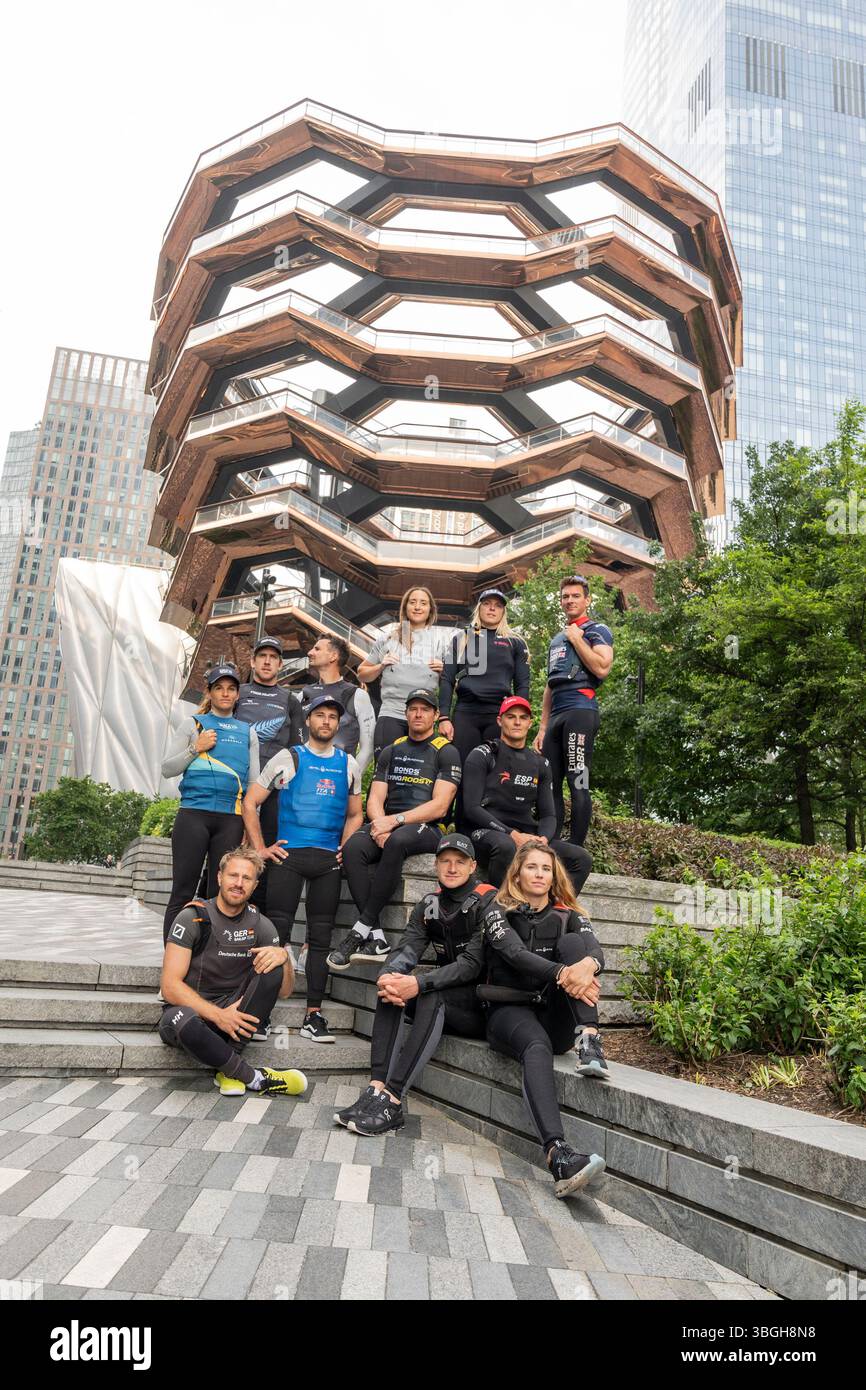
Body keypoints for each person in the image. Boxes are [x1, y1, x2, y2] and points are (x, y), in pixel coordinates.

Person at [334, 835, 494, 1136]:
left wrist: (419, 983)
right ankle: (376, 1089)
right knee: (392, 988)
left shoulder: (487, 900)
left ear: (473, 866)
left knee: (430, 995)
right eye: (445, 860)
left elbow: (472, 965)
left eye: (460, 862)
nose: (451, 867)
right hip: (448, 997)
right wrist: (390, 973)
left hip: (483, 1005)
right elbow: (408, 947)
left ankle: (392, 1103)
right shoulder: (429, 904)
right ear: (435, 865)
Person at [480, 839, 608, 1198]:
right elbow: (515, 954)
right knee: (535, 1046)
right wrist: (567, 975)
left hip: (553, 1014)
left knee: (576, 949)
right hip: (508, 1012)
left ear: (554, 876)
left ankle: (588, 1039)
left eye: (546, 868)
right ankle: (559, 1155)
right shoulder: (496, 909)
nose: (539, 873)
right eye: (532, 867)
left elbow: (596, 951)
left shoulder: (569, 913)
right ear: (517, 874)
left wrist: (587, 966)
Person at [242, 694, 364, 1044]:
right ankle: (261, 1012)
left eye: (332, 717)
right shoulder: (288, 756)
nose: (326, 721)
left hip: (327, 861)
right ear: (308, 721)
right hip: (288, 856)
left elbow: (356, 813)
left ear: (338, 724)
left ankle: (314, 1014)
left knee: (321, 938)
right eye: (320, 715)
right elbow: (251, 803)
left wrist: (345, 846)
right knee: (276, 935)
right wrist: (261, 850)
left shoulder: (348, 763)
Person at [328, 689, 461, 970]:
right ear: (406, 713)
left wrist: (395, 821)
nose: (418, 714)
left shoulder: (446, 751)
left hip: (427, 827)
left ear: (436, 716)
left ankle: (361, 928)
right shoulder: (392, 749)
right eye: (413, 708)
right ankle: (376, 936)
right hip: (387, 825)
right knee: (352, 847)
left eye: (425, 709)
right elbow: (375, 798)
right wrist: (379, 824)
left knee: (397, 841)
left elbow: (439, 806)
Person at [159, 847, 308, 1096]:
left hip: (235, 1015)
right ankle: (252, 1077)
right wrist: (218, 1016)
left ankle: (228, 1066)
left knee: (273, 965)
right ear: (219, 878)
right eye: (233, 876)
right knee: (183, 1019)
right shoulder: (192, 918)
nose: (239, 883)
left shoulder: (262, 925)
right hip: (192, 1014)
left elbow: (285, 990)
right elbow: (170, 986)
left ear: (255, 885)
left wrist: (285, 959)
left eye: (246, 878)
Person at [161, 663, 260, 941]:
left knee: (219, 895)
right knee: (183, 889)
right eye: (219, 688)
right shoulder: (193, 724)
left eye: (231, 689)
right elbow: (167, 768)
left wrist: (249, 827)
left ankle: (209, 958)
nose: (225, 694)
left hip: (230, 819)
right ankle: (172, 961)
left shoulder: (248, 732)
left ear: (238, 694)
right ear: (211, 692)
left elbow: (253, 786)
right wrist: (196, 747)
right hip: (193, 815)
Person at [461, 695, 592, 896]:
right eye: (511, 716)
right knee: (505, 846)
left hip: (527, 836)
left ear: (530, 723)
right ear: (499, 720)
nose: (517, 722)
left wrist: (543, 840)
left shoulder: (540, 764)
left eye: (523, 717)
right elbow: (471, 808)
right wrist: (511, 835)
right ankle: (502, 911)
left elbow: (548, 815)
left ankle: (552, 912)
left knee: (581, 857)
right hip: (486, 832)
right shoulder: (482, 754)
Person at [533, 575, 614, 846]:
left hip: (581, 711)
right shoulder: (557, 639)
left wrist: (578, 639)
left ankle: (576, 847)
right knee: (550, 784)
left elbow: (603, 667)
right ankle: (552, 844)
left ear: (587, 599)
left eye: (575, 596)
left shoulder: (596, 629)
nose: (569, 600)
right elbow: (550, 684)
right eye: (565, 596)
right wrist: (542, 727)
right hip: (555, 716)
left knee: (578, 781)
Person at [235, 635, 304, 906]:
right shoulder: (238, 692)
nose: (267, 661)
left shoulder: (290, 700)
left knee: (266, 853)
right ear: (252, 661)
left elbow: (297, 748)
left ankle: (258, 919)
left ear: (280, 664)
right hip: (238, 784)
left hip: (274, 790)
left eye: (273, 657)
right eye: (262, 656)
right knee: (231, 851)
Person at [357, 587, 456, 760]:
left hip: (423, 717)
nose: (417, 607)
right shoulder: (387, 639)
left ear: (430, 610)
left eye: (423, 603)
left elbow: (452, 686)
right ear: (405, 608)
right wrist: (380, 666)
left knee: (418, 772)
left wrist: (444, 672)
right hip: (391, 713)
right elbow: (362, 674)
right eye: (413, 602)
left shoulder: (441, 642)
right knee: (384, 770)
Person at [438, 588, 530, 766]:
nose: (492, 608)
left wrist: (520, 718)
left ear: (503, 611)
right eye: (487, 604)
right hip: (466, 712)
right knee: (462, 769)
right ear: (479, 608)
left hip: (499, 715)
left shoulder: (516, 642)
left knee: (497, 771)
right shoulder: (461, 638)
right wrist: (443, 717)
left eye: (497, 605)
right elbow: (447, 679)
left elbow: (522, 685)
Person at [299, 634, 375, 773]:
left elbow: (368, 748)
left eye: (317, 649)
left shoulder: (357, 695)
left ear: (333, 656)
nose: (310, 652)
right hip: (303, 779)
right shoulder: (303, 694)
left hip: (337, 781)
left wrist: (349, 780)